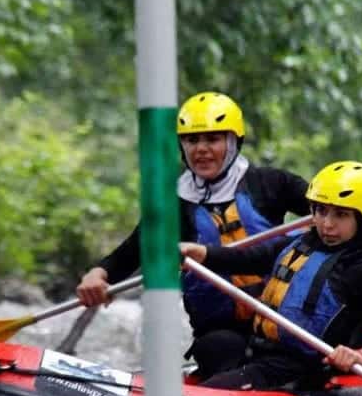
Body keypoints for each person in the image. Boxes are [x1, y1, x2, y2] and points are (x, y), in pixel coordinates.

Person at [76, 91, 311, 378]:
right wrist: (99, 274)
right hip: (222, 330)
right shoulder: (174, 202)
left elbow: (331, 215)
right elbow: (136, 249)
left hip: (287, 319)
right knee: (218, 349)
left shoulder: (272, 183)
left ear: (233, 141)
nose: (201, 149)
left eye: (212, 139)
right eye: (192, 140)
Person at [180, 161, 362, 390]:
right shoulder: (303, 243)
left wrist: (361, 356)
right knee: (212, 345)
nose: (327, 224)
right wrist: (200, 253)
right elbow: (248, 258)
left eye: (341, 215)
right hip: (263, 352)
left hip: (302, 370)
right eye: (321, 211)